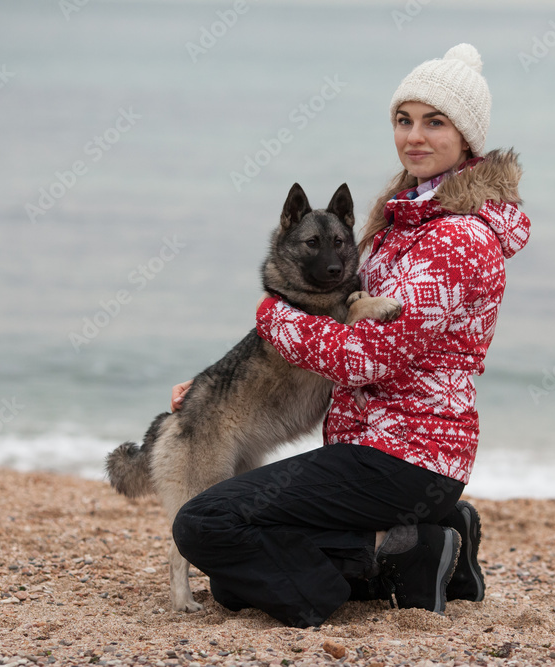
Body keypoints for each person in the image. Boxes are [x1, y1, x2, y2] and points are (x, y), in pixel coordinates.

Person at [170, 43, 531, 628]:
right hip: (364, 452)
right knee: (238, 578)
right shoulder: (399, 220)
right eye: (403, 119)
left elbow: (367, 357)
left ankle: (398, 555)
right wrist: (218, 385)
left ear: (467, 138)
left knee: (206, 528)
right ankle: (434, 538)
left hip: (405, 458)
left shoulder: (457, 239)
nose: (414, 136)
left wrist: (274, 319)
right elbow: (338, 318)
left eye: (435, 122)